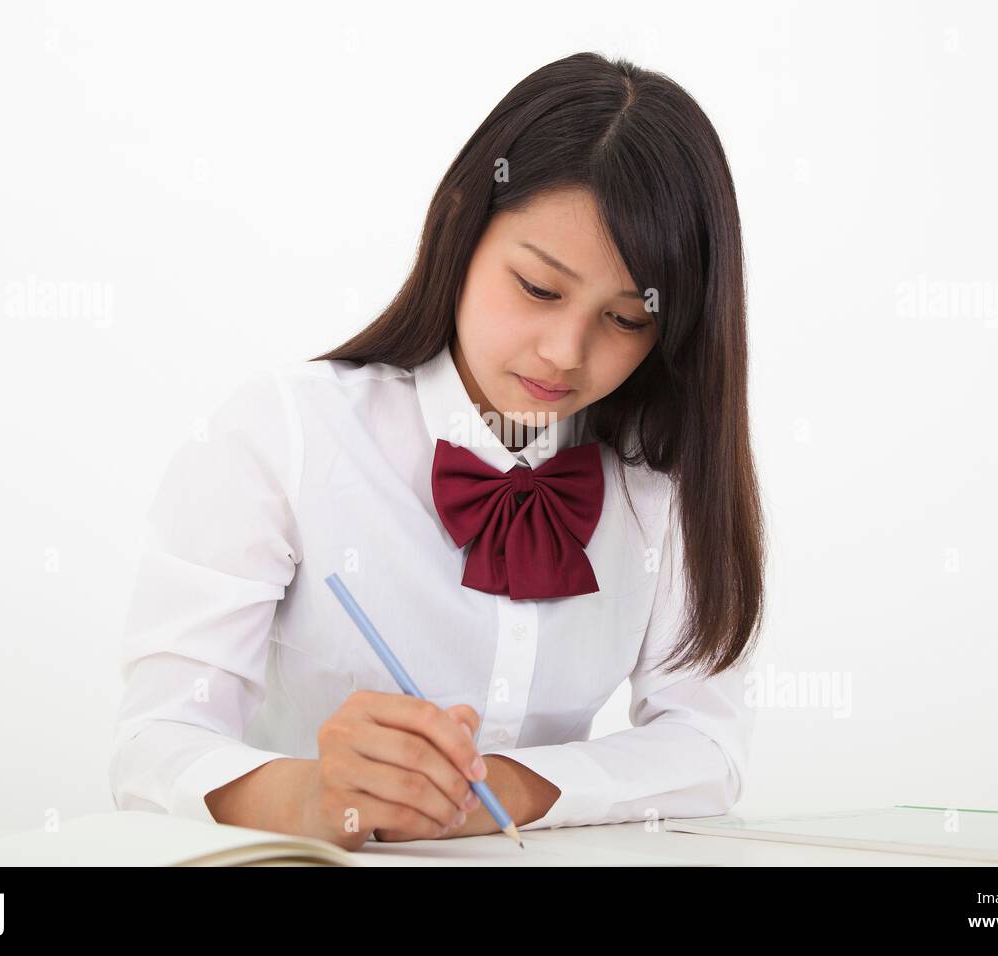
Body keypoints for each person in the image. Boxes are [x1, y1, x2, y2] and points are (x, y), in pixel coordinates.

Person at [108, 51, 765, 852]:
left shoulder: (659, 483)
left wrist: (511, 784)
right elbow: (153, 745)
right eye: (538, 288)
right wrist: (315, 795)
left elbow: (708, 746)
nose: (564, 351)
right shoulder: (283, 431)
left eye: (627, 320)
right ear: (461, 224)